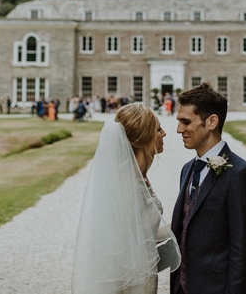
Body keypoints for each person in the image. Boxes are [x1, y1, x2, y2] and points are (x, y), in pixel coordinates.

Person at [73, 104, 179, 293]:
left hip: (145, 272)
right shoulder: (125, 180)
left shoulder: (141, 176)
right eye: (158, 129)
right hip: (130, 280)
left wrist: (183, 223)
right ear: (145, 136)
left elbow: (144, 232)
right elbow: (119, 244)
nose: (164, 134)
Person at [171, 82, 246, 294]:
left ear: (211, 122)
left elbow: (242, 251)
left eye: (186, 121)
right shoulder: (187, 170)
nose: (178, 129)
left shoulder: (240, 174)